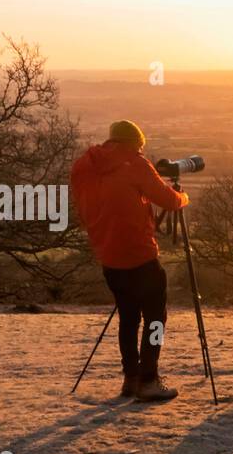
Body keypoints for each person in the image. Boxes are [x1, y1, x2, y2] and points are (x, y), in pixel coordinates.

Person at [70, 120, 187, 402]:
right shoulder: (135, 163)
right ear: (135, 143)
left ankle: (130, 379)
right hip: (140, 255)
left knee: (128, 318)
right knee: (156, 318)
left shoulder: (85, 166)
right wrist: (183, 196)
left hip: (108, 256)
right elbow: (169, 201)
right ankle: (149, 380)